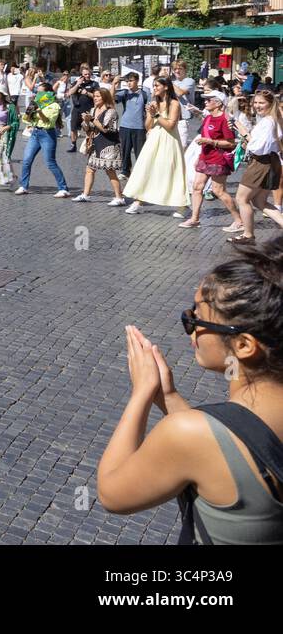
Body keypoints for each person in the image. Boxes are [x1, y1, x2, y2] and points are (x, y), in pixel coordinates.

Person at [97, 238, 283, 544]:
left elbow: (111, 493)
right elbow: (235, 442)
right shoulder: (213, 433)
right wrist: (168, 396)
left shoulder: (190, 433)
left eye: (196, 319)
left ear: (243, 345)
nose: (191, 327)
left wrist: (142, 394)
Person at [123, 77, 189, 217]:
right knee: (145, 168)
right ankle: (138, 201)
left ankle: (182, 206)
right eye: (154, 86)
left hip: (169, 140)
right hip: (154, 139)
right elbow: (148, 126)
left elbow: (171, 126)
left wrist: (156, 114)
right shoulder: (154, 103)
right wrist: (150, 115)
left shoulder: (174, 104)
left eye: (157, 85)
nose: (154, 88)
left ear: (166, 87)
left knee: (171, 172)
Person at [180, 91, 244, 231]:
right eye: (206, 100)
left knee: (218, 190)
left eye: (209, 100)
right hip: (205, 157)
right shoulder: (208, 118)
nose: (205, 102)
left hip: (218, 159)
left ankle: (239, 220)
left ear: (218, 103)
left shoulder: (225, 120)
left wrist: (211, 141)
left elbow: (231, 143)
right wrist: (199, 157)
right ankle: (194, 218)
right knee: (197, 187)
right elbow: (204, 140)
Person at [229, 90, 283, 245]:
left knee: (242, 198)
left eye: (262, 103)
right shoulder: (274, 120)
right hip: (271, 162)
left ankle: (248, 234)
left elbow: (257, 147)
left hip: (261, 163)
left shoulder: (268, 122)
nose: (257, 106)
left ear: (270, 104)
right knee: (260, 201)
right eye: (256, 102)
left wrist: (243, 132)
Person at [15, 86, 70, 198]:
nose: (37, 93)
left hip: (47, 134)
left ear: (47, 92)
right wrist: (29, 111)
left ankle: (63, 188)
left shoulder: (54, 105)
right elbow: (26, 120)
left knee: (50, 162)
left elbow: (48, 122)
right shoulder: (35, 103)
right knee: (26, 160)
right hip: (35, 133)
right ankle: (23, 186)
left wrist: (40, 112)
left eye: (40, 91)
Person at [73, 87, 125, 204]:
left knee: (110, 171)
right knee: (90, 169)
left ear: (105, 97)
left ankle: (119, 197)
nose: (95, 98)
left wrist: (92, 119)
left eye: (98, 96)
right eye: (95, 96)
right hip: (96, 144)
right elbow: (87, 129)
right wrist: (86, 121)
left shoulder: (111, 111)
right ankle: (85, 195)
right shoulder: (93, 110)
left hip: (109, 144)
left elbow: (105, 129)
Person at [114, 72, 149, 179]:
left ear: (137, 81)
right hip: (125, 126)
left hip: (139, 127)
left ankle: (140, 172)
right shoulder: (124, 93)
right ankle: (125, 171)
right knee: (125, 150)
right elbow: (111, 99)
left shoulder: (145, 93)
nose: (129, 83)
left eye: (131, 81)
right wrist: (113, 85)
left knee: (140, 152)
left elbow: (149, 110)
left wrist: (148, 127)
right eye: (127, 81)